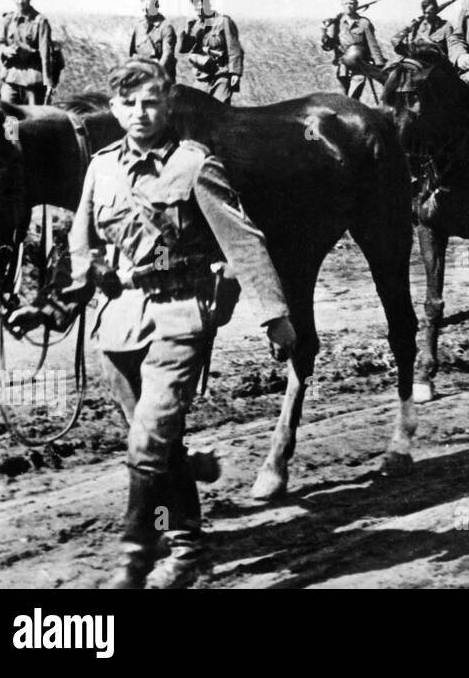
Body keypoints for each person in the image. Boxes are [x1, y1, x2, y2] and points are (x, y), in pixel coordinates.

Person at [63, 58, 296, 588]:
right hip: (119, 320)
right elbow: (82, 237)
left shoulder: (194, 164)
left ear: (168, 103)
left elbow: (244, 242)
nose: (140, 113)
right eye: (128, 104)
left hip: (181, 313)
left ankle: (134, 557)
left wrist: (275, 315)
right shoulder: (100, 166)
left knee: (147, 445)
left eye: (150, 102)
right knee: (158, 446)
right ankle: (187, 546)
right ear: (114, 109)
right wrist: (83, 274)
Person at [179, 0, 243, 103]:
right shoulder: (196, 25)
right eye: (196, 7)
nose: (199, 10)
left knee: (220, 109)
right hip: (202, 75)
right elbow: (184, 49)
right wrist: (188, 29)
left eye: (201, 5)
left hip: (221, 74)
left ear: (208, 4)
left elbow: (234, 48)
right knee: (197, 109)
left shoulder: (223, 21)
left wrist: (235, 73)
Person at [0, 0, 54, 105]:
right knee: (8, 118)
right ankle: (12, 125)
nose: (20, 1)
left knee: (32, 120)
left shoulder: (40, 21)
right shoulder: (8, 20)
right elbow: (0, 43)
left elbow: (46, 55)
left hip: (32, 80)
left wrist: (48, 83)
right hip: (11, 77)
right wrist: (5, 50)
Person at [325, 0, 386, 98]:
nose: (348, 6)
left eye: (351, 3)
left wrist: (379, 65)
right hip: (341, 67)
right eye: (345, 3)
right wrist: (324, 32)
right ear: (342, 5)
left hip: (359, 67)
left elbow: (373, 45)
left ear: (357, 4)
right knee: (341, 100)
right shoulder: (336, 23)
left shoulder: (364, 23)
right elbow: (328, 46)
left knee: (353, 99)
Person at [128, 0, 178, 81]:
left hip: (161, 78)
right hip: (141, 76)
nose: (145, 12)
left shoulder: (166, 27)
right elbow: (132, 54)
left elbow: (167, 56)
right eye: (143, 9)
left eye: (149, 9)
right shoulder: (138, 27)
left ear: (156, 7)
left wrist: (154, 75)